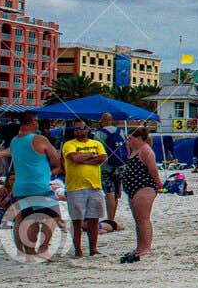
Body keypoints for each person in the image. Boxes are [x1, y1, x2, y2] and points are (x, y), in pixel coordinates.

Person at [0, 113, 63, 260]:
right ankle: (43, 248)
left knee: (29, 220)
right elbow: (56, 161)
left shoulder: (15, 141)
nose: (38, 124)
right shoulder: (39, 139)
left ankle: (29, 253)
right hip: (39, 187)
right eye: (36, 121)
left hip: (20, 188)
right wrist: (48, 173)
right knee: (54, 217)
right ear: (31, 122)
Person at [60, 119, 108, 257]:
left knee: (94, 219)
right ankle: (78, 250)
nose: (77, 131)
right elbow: (74, 158)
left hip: (94, 185)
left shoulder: (96, 143)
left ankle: (93, 248)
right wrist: (92, 156)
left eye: (80, 128)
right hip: (75, 186)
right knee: (77, 221)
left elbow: (103, 158)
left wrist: (85, 158)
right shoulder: (69, 144)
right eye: (75, 129)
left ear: (87, 129)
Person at [118, 126, 163, 262]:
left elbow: (153, 169)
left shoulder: (145, 150)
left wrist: (158, 184)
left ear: (138, 139)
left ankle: (146, 248)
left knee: (144, 219)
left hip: (144, 187)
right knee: (138, 220)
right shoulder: (134, 150)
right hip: (133, 188)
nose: (128, 141)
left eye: (130, 138)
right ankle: (140, 247)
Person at [97, 111, 127, 232]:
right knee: (116, 192)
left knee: (108, 192)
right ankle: (113, 218)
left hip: (105, 166)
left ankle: (110, 220)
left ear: (103, 121)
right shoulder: (121, 132)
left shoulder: (99, 133)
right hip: (120, 165)